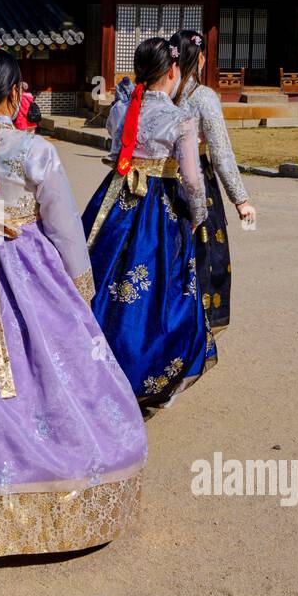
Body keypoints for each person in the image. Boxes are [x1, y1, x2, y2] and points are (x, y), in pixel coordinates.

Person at [0, 47, 147, 557]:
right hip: (27, 262)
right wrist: (79, 288)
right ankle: (53, 481)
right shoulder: (35, 150)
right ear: (16, 94)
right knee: (44, 364)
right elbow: (62, 226)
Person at [82, 36, 216, 412]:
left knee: (108, 279)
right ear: (173, 71)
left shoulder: (121, 111)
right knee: (163, 288)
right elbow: (191, 180)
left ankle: (98, 367)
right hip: (160, 209)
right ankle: (152, 373)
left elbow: (114, 153)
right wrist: (198, 215)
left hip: (115, 201)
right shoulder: (180, 120)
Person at [175, 30, 255, 332]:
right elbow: (221, 153)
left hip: (165, 182)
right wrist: (241, 198)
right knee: (205, 255)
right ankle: (201, 324)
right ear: (200, 58)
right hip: (198, 182)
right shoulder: (203, 96)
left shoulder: (158, 95)